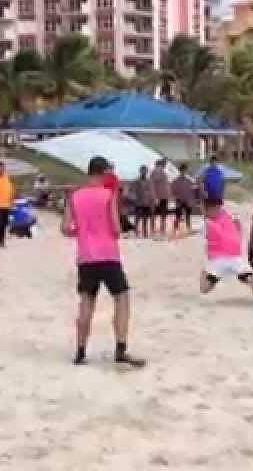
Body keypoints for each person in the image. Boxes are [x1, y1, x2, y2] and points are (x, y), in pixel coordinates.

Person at [62, 156, 146, 368]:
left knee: (86, 302)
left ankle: (80, 351)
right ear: (102, 172)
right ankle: (120, 347)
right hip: (108, 254)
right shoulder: (108, 195)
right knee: (122, 298)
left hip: (85, 256)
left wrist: (81, 233)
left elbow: (65, 228)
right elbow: (116, 229)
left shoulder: (75, 196)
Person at [199, 199, 253, 313]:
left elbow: (238, 226)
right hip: (219, 260)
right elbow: (238, 226)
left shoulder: (220, 218)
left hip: (233, 258)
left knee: (251, 278)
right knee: (204, 289)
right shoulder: (213, 221)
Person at [171, 163, 198, 236]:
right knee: (178, 216)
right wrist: (176, 198)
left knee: (188, 216)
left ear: (186, 171)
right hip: (179, 201)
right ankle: (175, 230)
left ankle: (188, 229)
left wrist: (194, 200)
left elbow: (194, 189)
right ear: (180, 171)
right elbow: (173, 191)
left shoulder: (189, 180)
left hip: (187, 201)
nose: (184, 172)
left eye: (185, 170)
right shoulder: (176, 180)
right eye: (182, 170)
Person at [129, 165, 156, 238]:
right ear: (140, 171)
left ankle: (145, 232)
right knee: (137, 217)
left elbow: (152, 192)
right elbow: (131, 191)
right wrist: (133, 198)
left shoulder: (149, 181)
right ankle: (136, 231)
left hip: (147, 203)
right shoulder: (136, 181)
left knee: (145, 218)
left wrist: (153, 200)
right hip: (139, 202)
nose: (144, 172)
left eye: (145, 171)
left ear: (147, 172)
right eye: (142, 171)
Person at [148, 158, 171, 238]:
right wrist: (155, 197)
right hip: (158, 197)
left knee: (162, 214)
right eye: (164, 163)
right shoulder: (156, 172)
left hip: (163, 196)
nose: (165, 165)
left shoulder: (162, 172)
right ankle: (153, 230)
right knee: (155, 213)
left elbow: (165, 185)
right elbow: (152, 185)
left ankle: (161, 229)